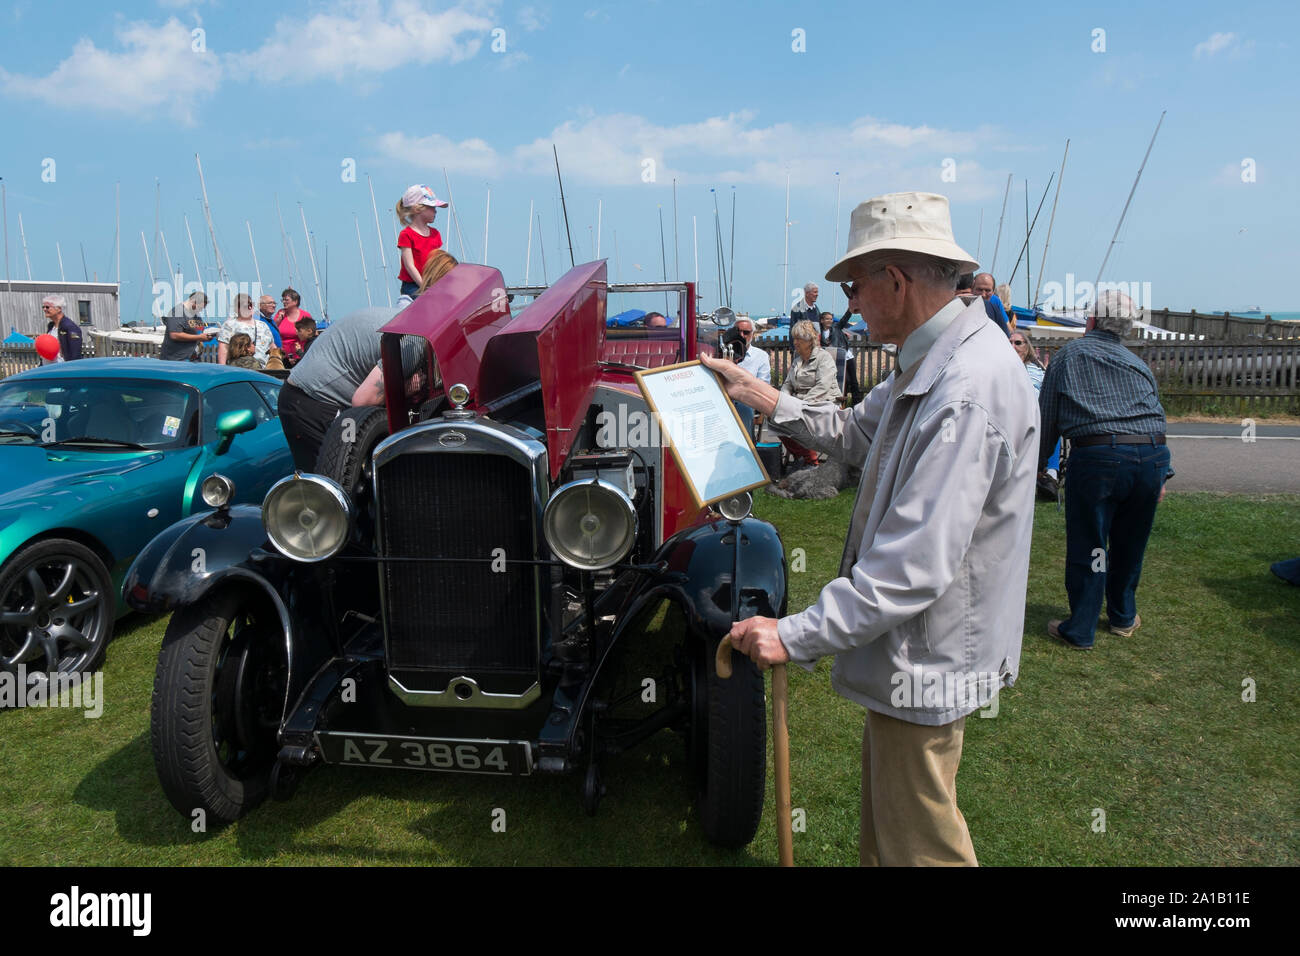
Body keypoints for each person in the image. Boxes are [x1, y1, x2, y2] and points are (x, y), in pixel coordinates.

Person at [702, 191, 1038, 866]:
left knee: (920, 847)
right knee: (890, 835)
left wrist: (792, 635)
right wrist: (756, 392)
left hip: (928, 658)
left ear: (897, 280)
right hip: (918, 655)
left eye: (855, 286)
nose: (850, 303)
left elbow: (911, 566)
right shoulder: (937, 354)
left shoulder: (963, 387)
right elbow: (855, 431)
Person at [1039, 290, 1171, 649]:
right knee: (1131, 542)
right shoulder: (1137, 363)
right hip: (1150, 457)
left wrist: (1037, 467)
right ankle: (1123, 616)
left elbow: (1046, 419)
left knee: (1091, 543)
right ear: (1126, 327)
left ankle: (1080, 628)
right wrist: (1164, 473)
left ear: (1091, 320)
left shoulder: (1068, 356)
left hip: (1098, 457)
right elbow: (1155, 415)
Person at [279, 251, 457, 471]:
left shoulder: (410, 321)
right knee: (337, 483)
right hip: (312, 402)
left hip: (308, 395)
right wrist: (408, 387)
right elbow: (362, 401)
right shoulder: (412, 339)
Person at [777, 318, 839, 466]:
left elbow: (822, 387)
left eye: (799, 339)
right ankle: (802, 457)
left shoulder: (824, 359)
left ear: (810, 340)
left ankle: (811, 462)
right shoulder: (797, 361)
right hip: (798, 403)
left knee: (796, 420)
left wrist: (800, 405)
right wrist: (784, 401)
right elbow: (787, 384)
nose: (795, 343)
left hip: (821, 403)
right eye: (794, 339)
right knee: (774, 416)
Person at [1011, 330, 1060, 490]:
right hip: (1013, 415)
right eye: (1009, 342)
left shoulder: (1037, 370)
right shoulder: (1002, 367)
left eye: (1017, 343)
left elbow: (1048, 392)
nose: (1013, 346)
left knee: (1052, 425)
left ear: (1026, 347)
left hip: (1037, 414)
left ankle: (1050, 475)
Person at [396, 184, 448, 298]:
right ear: (418, 209)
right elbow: (409, 266)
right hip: (412, 286)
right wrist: (424, 287)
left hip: (431, 283)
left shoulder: (435, 234)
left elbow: (437, 262)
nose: (436, 211)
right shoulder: (406, 235)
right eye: (432, 207)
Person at [732, 315, 770, 436]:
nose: (742, 335)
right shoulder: (723, 352)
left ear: (752, 334)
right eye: (738, 332)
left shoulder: (761, 356)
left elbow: (763, 385)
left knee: (744, 408)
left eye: (746, 332)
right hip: (724, 400)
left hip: (746, 401)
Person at [217, 293, 275, 366]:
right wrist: (223, 369)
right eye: (245, 306)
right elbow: (223, 349)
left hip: (265, 370)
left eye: (251, 305)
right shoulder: (229, 325)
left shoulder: (263, 325)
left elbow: (272, 346)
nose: (249, 308)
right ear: (237, 308)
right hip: (242, 369)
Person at [161, 290, 214, 361]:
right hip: (176, 360)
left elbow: (199, 329)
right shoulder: (178, 312)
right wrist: (199, 337)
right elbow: (174, 334)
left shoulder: (195, 314)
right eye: (199, 308)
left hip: (192, 359)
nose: (200, 310)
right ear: (193, 301)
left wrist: (210, 335)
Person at [41, 295, 82, 361]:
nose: (44, 309)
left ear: (59, 309)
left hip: (61, 367)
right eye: (43, 307)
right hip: (48, 367)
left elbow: (75, 353)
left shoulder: (70, 327)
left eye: (47, 307)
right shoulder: (51, 326)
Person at [275, 288, 312, 363]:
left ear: (295, 301)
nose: (284, 302)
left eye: (286, 300)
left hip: (300, 356)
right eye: (283, 300)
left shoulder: (305, 315)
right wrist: (278, 319)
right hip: (283, 356)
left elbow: (311, 335)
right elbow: (273, 331)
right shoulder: (280, 313)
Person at [972, 273, 1012, 337]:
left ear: (993, 292)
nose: (983, 294)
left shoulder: (995, 302)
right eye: (979, 290)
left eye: (987, 290)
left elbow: (1007, 329)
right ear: (972, 289)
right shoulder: (963, 305)